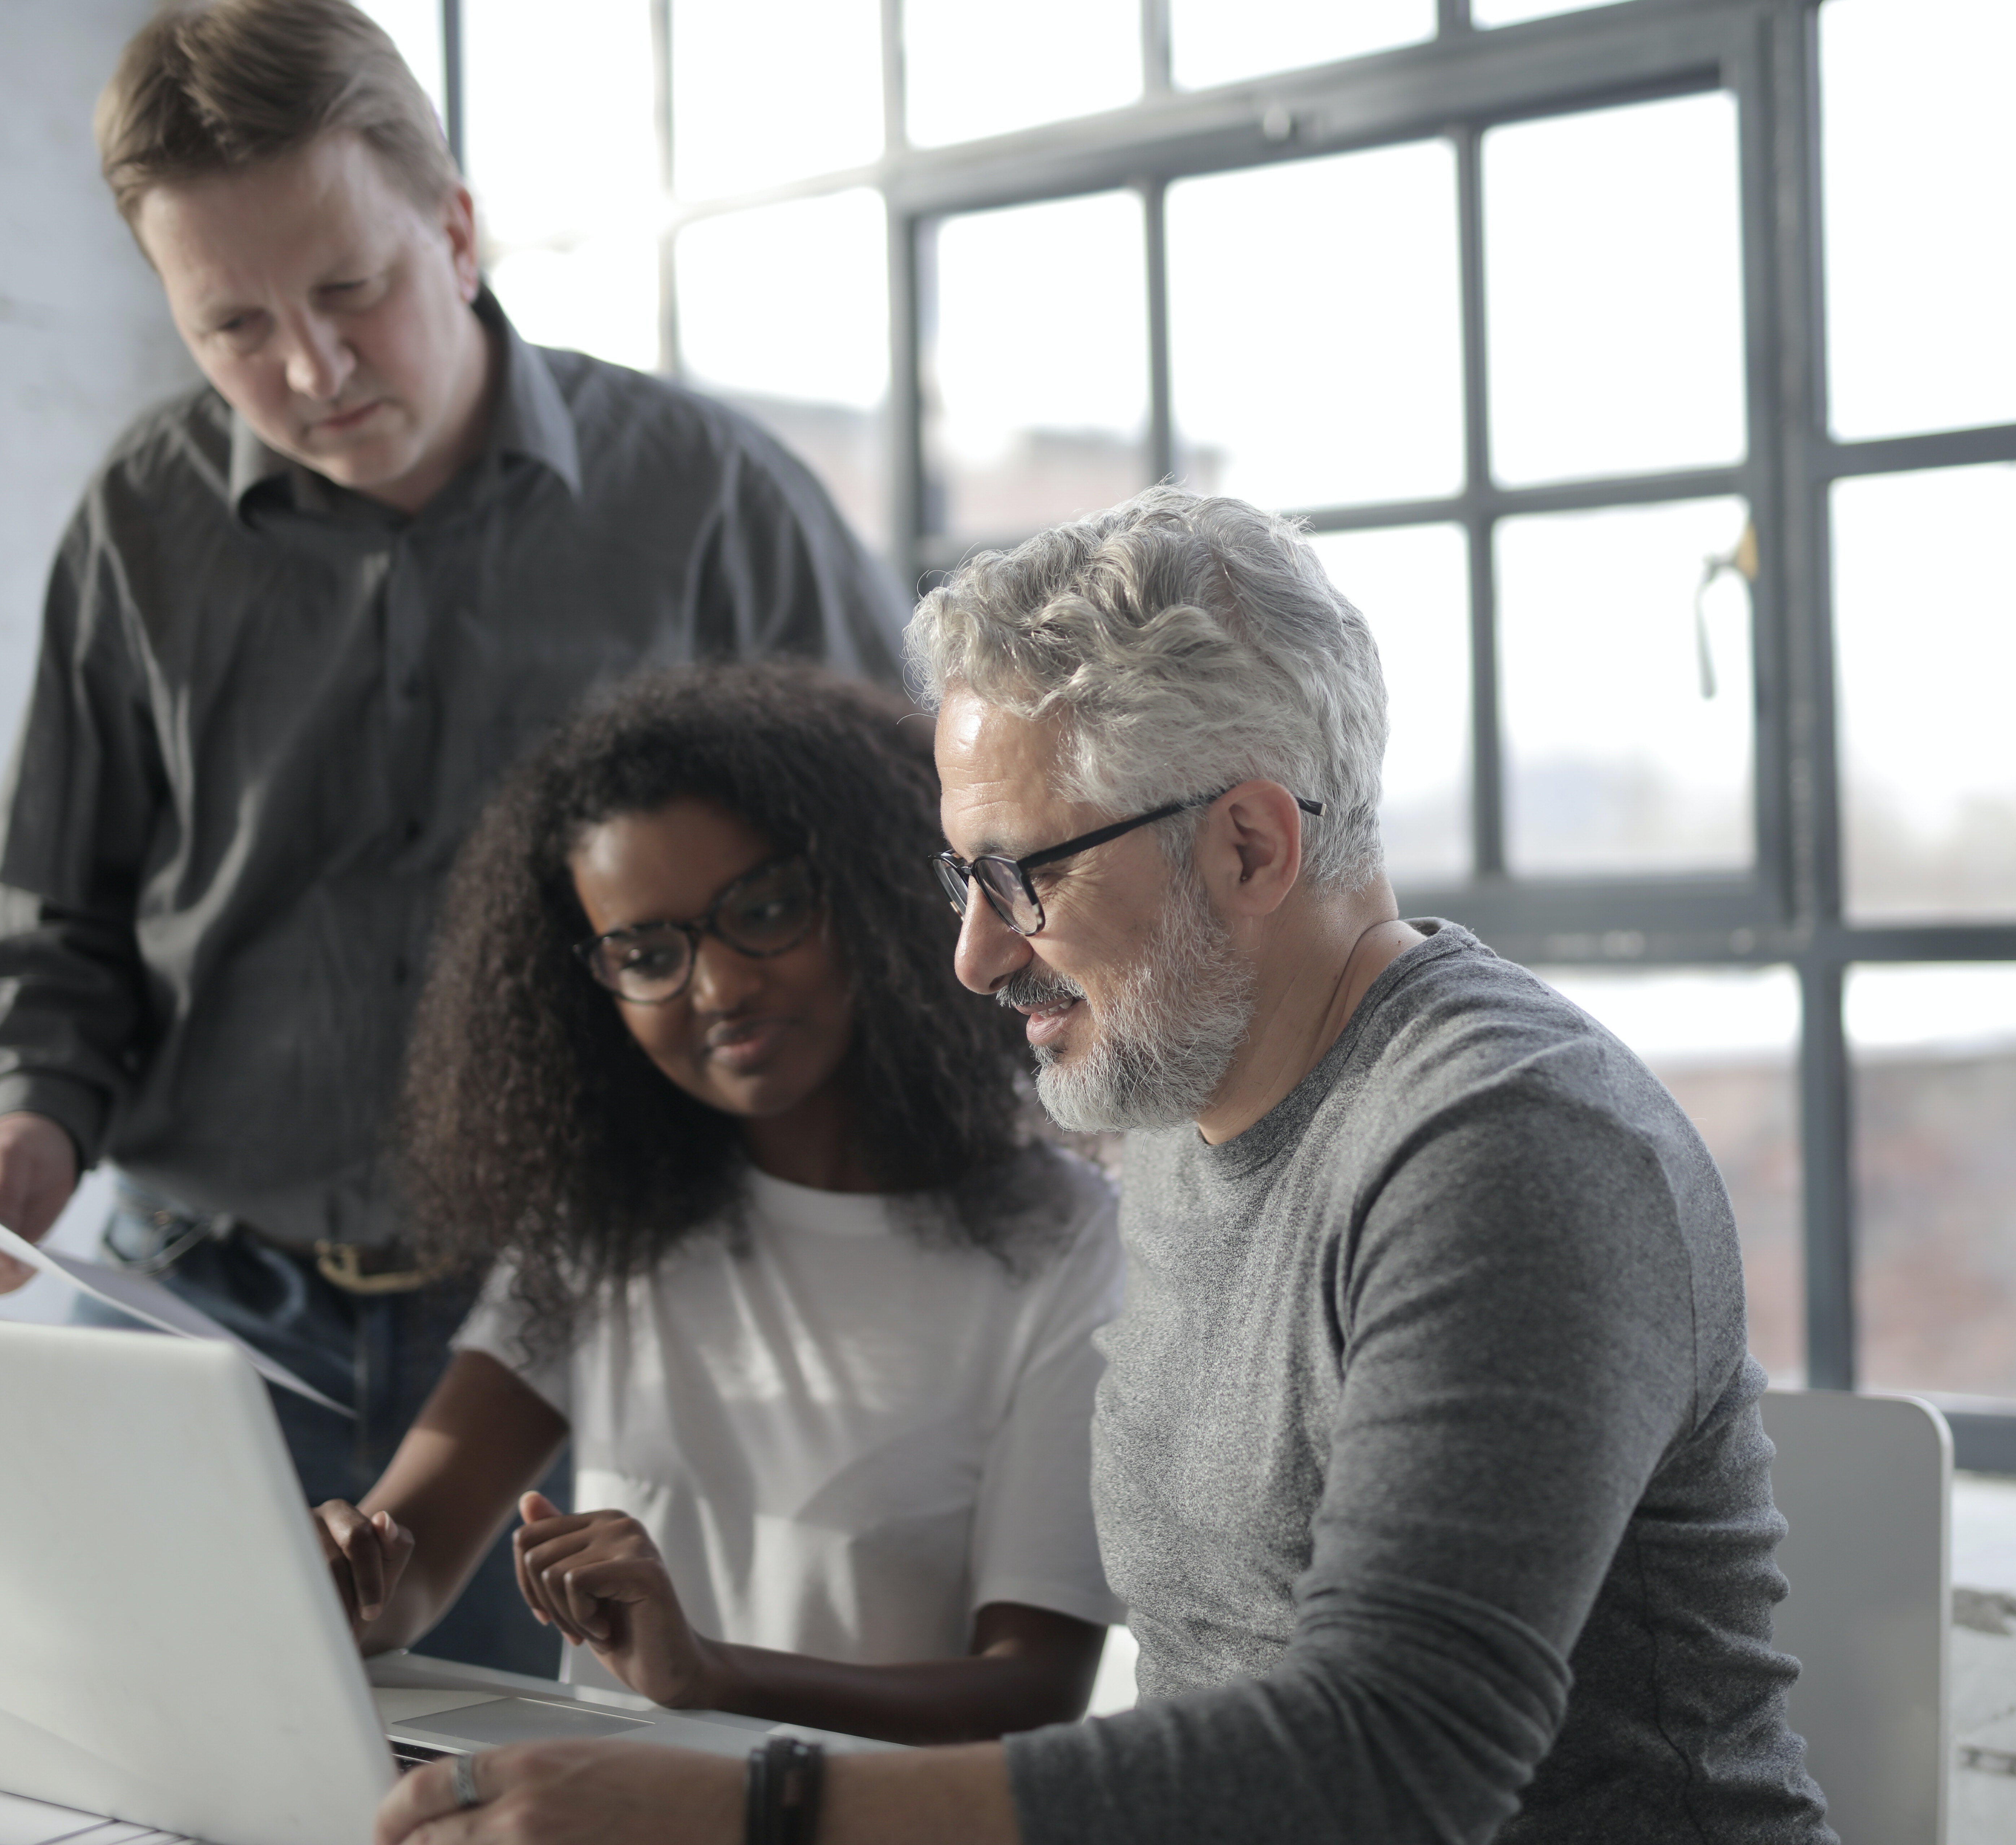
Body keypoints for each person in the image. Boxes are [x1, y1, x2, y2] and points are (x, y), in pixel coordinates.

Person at [374, 490, 1838, 1844]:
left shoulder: (1509, 1147)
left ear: (1251, 845)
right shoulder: (1174, 1112)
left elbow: (1397, 1758)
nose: (973, 952)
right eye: (960, 877)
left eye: (1027, 875)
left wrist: (753, 1810)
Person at [0, 0, 905, 1675]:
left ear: (453, 226)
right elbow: (50, 904)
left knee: (549, 1798)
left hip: (597, 1324)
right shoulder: (139, 522)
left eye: (351, 288)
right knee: (136, 1771)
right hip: (198, 1305)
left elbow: (894, 892)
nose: (311, 370)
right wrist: (29, 1124)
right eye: (232, 325)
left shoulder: (715, 501)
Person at [309, 663, 1120, 1743]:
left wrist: (710, 1674)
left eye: (766, 910)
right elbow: (406, 1573)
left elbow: (1032, 1692)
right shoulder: (604, 1224)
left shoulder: (1066, 1244)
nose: (720, 987)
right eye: (647, 953)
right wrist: (345, 1580)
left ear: (872, 893)